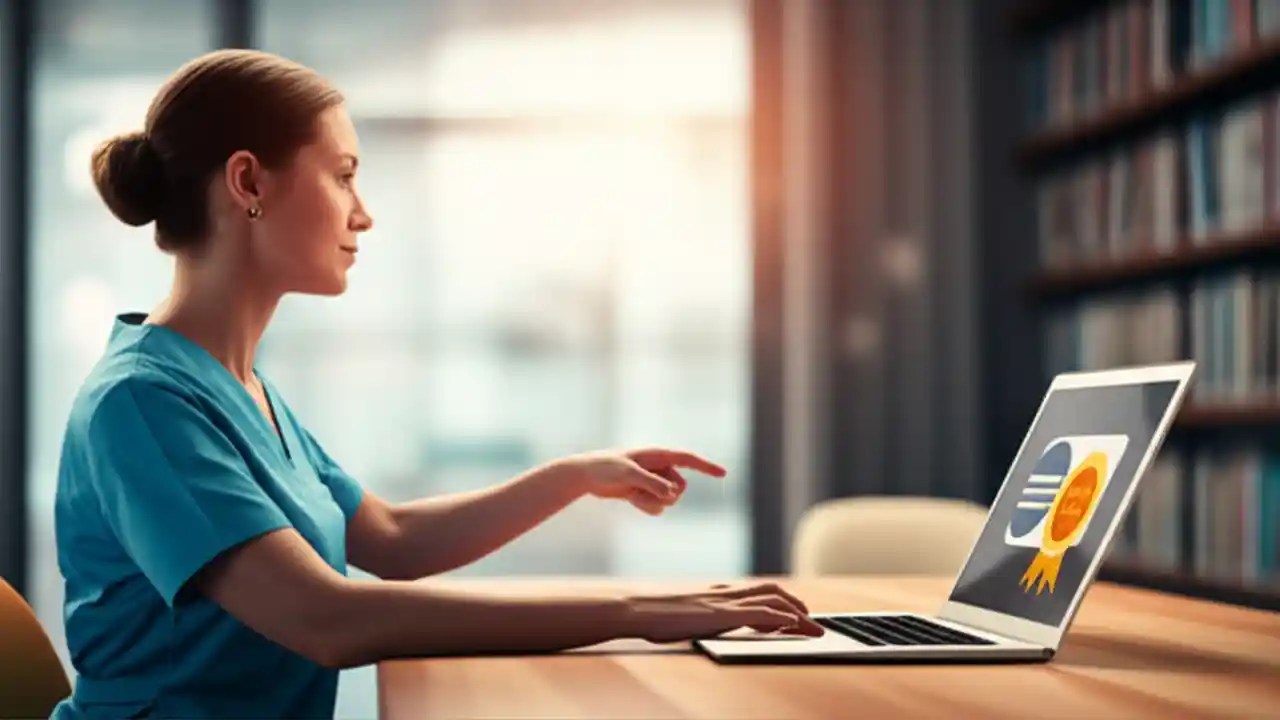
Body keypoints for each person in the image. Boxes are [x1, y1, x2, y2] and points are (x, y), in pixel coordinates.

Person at [51, 49, 822, 719]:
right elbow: (329, 619)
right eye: (344, 176)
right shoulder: (144, 404)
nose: (364, 214)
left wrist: (574, 475)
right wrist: (644, 611)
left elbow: (391, 540)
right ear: (248, 181)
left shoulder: (236, 385)